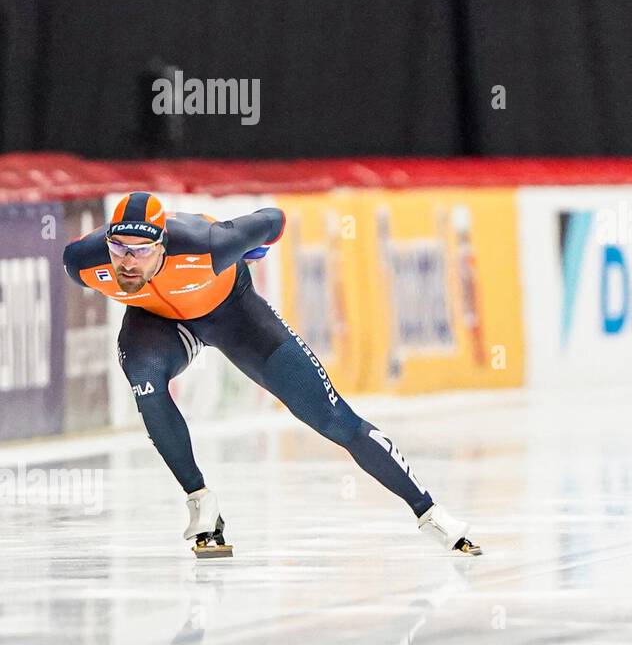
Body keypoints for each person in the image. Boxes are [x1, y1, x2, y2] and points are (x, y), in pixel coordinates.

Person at [63, 192, 480, 557]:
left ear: (164, 244)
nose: (127, 263)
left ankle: (431, 513)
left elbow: (274, 218)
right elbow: (100, 257)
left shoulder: (208, 246)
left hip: (233, 314)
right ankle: (200, 501)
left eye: (140, 250)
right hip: (158, 323)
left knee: (331, 417)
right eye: (118, 248)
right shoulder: (83, 261)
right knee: (145, 380)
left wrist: (255, 243)